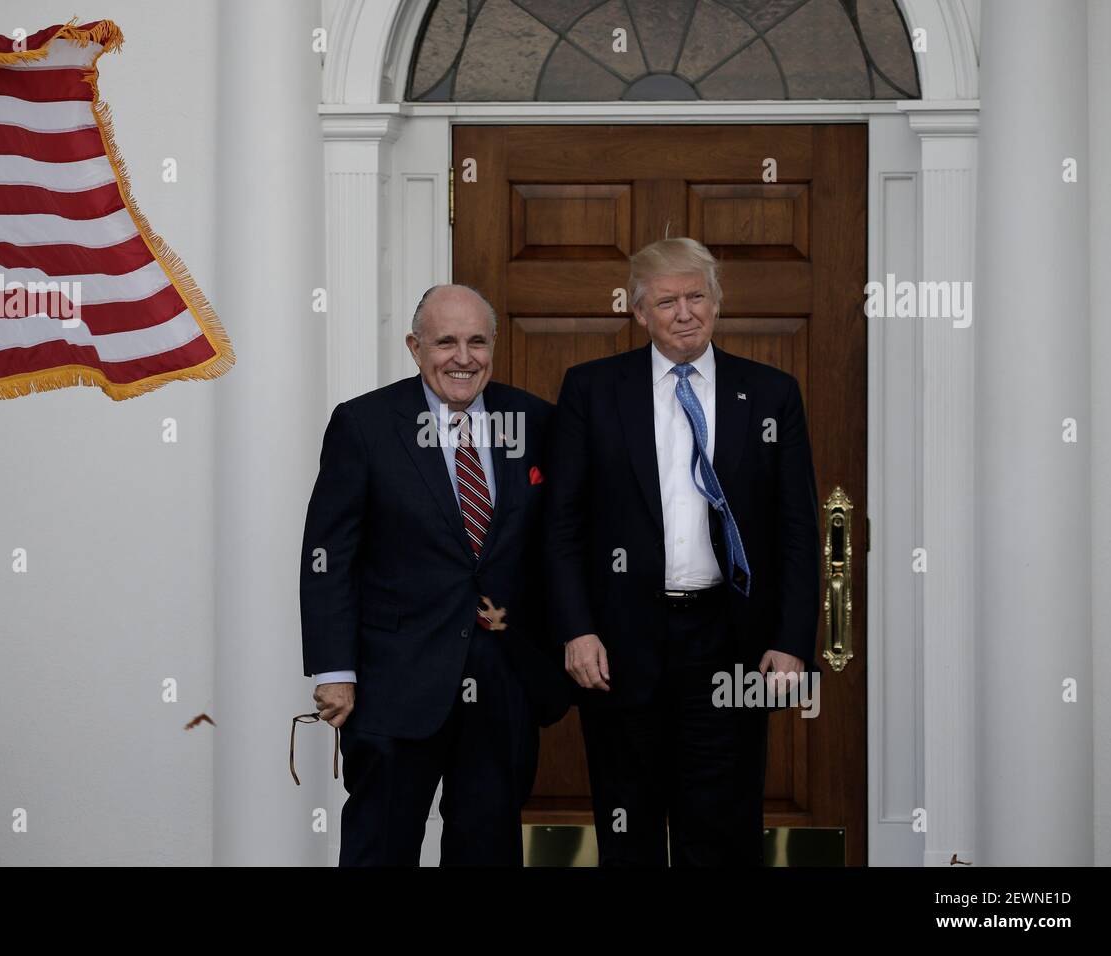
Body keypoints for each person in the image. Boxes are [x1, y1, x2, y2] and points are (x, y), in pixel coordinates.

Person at [546, 237, 821, 866]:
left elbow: (797, 529)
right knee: (628, 818)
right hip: (620, 643)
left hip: (731, 640)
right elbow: (562, 524)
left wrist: (792, 640)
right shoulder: (591, 390)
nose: (685, 312)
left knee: (723, 823)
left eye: (697, 296)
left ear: (717, 303)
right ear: (640, 313)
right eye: (666, 301)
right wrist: (577, 628)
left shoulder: (772, 393)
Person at [300, 284, 570, 866]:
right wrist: (333, 670)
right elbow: (328, 558)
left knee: (487, 849)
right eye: (445, 342)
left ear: (493, 345)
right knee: (381, 847)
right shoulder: (364, 425)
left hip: (502, 684)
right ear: (414, 347)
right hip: (394, 683)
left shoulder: (538, 421)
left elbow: (562, 545)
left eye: (477, 341)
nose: (463, 357)